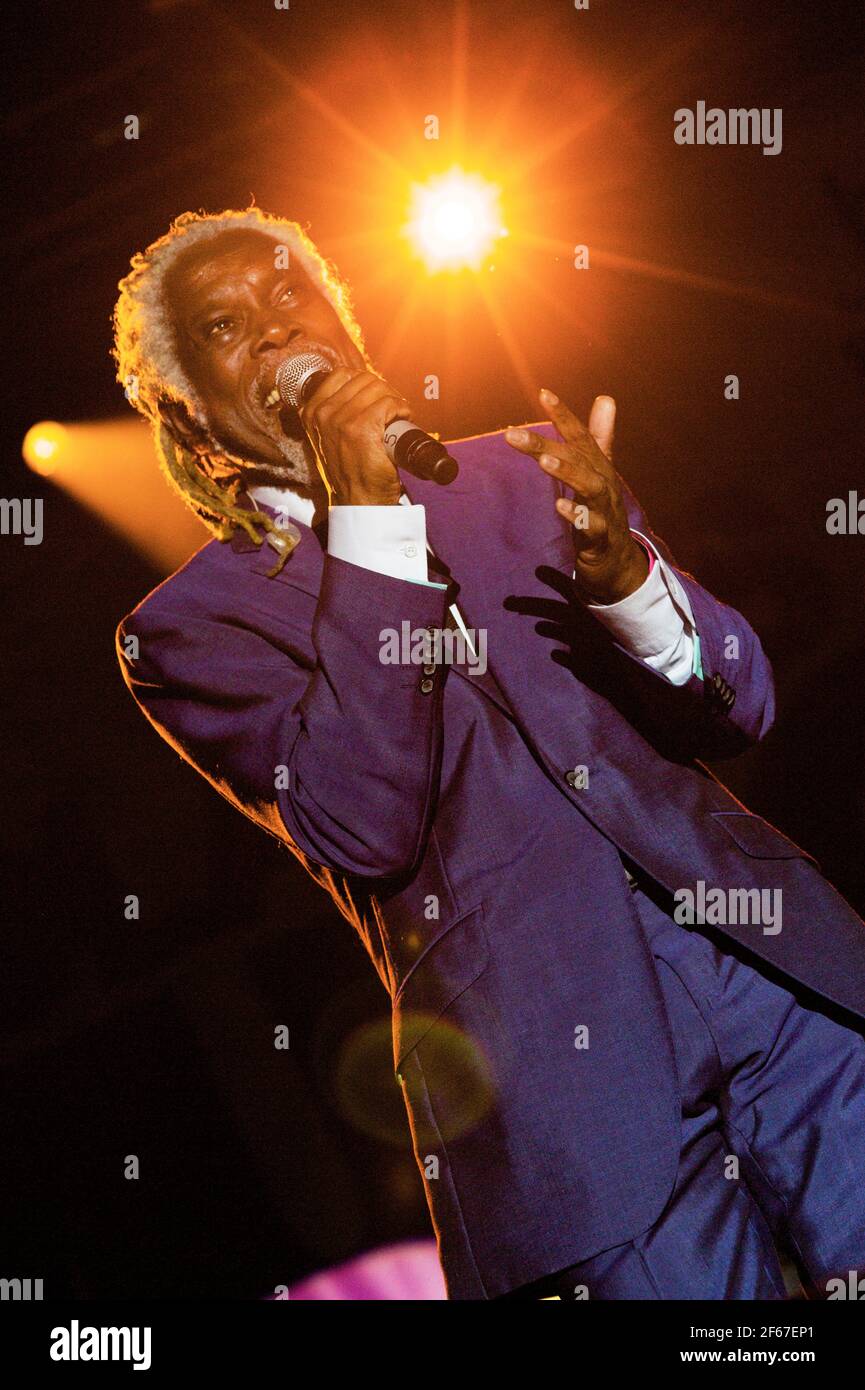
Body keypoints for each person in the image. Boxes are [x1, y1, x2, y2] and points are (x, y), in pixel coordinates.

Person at [114, 206, 865, 1300]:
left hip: (779, 975)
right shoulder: (188, 630)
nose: (277, 328)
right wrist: (366, 518)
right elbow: (360, 825)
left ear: (347, 322)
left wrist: (630, 587)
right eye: (226, 325)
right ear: (192, 420)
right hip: (564, 1089)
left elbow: (739, 702)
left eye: (291, 293)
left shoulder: (512, 475)